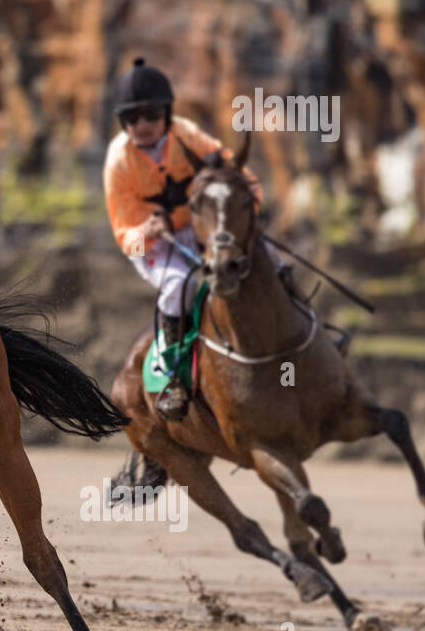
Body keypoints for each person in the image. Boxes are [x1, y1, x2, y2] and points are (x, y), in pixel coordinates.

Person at [103, 57, 302, 421]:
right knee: (181, 284)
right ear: (123, 123)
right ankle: (174, 378)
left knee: (271, 258)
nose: (143, 125)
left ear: (166, 113)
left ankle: (305, 340)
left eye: (150, 114)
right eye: (133, 118)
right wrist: (149, 231)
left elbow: (233, 170)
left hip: (202, 226)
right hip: (152, 242)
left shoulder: (187, 135)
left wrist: (248, 210)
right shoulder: (118, 161)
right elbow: (124, 235)